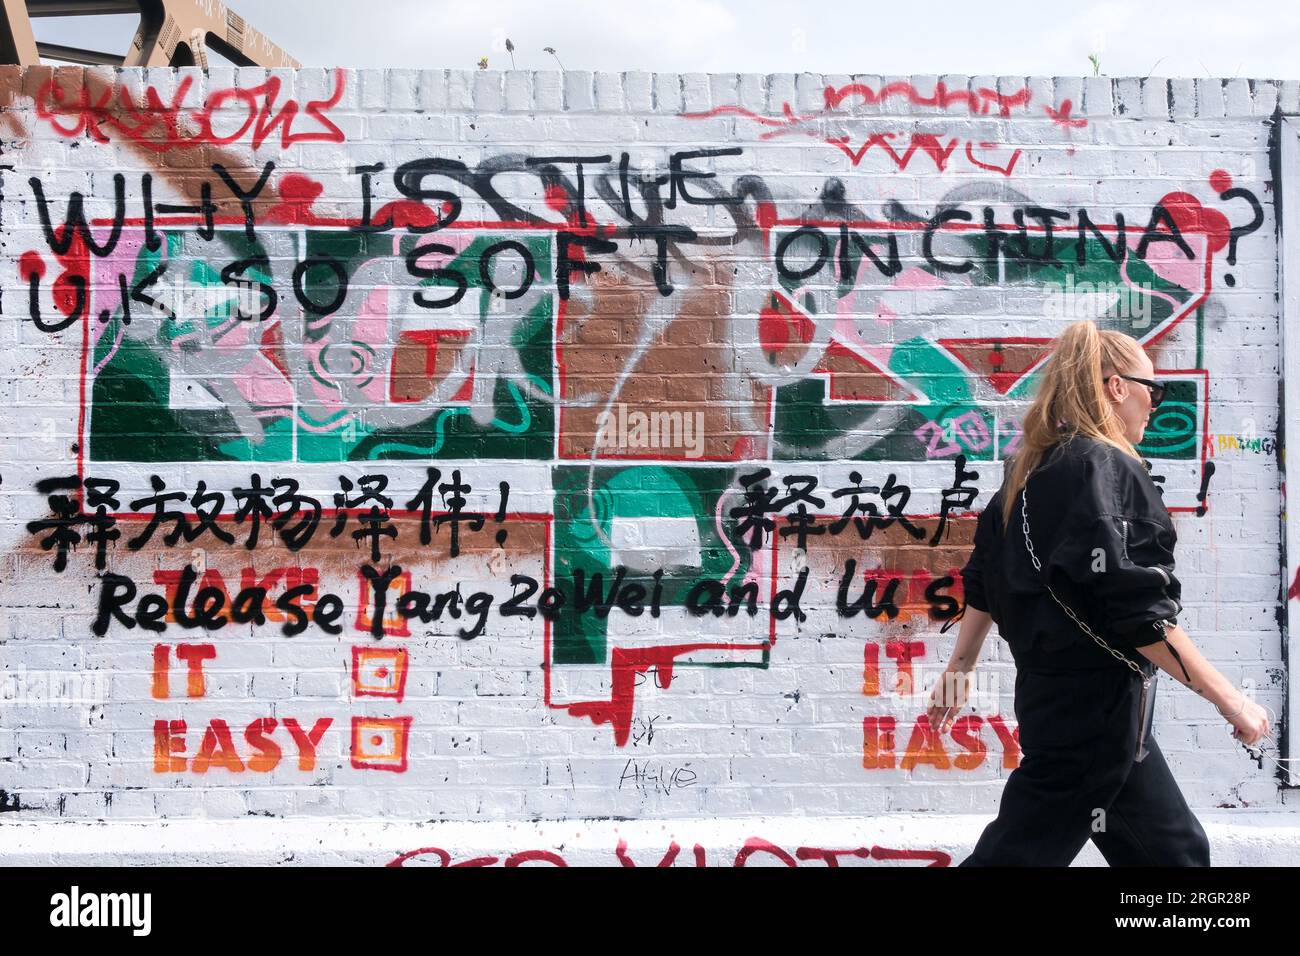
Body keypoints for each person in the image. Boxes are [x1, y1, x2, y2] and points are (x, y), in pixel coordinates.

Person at [928, 318, 1270, 866]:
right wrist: (1232, 701)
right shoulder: (1107, 470)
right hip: (1096, 711)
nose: (1156, 402)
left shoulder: (1029, 468)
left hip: (1064, 704)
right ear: (1116, 386)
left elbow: (984, 578)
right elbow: (1141, 614)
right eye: (1151, 388)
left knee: (1174, 854)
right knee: (1018, 857)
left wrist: (958, 670)